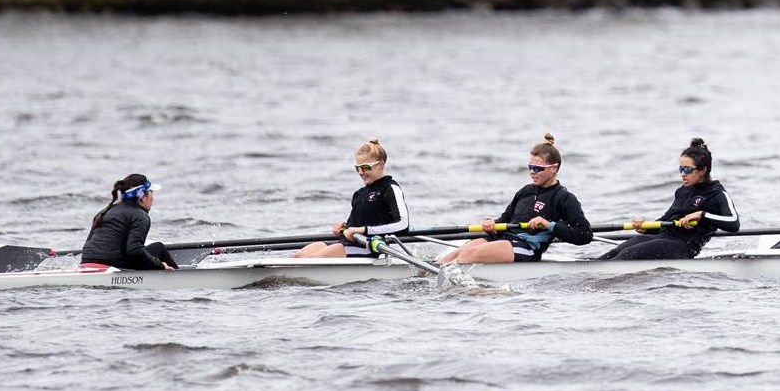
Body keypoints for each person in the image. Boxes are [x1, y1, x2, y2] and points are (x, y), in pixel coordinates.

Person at [438, 134, 594, 263]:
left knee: (467, 257)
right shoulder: (525, 191)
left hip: (527, 246)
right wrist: (490, 222)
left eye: (538, 168)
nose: (532, 172)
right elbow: (505, 219)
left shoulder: (564, 198)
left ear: (554, 169)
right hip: (504, 238)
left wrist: (549, 225)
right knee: (452, 256)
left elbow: (585, 234)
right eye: (530, 167)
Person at [600, 138, 740, 261]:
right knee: (614, 252)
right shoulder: (683, 191)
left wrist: (702, 215)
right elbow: (666, 220)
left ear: (702, 170)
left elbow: (734, 223)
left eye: (687, 170)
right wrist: (645, 228)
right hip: (663, 239)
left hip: (682, 246)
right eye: (681, 169)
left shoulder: (718, 194)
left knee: (628, 254)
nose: (683, 174)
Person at [292, 138, 409, 258]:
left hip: (370, 247)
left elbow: (403, 225)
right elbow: (355, 225)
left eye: (365, 167)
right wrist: (344, 227)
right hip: (349, 243)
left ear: (380, 164)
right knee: (297, 257)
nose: (360, 172)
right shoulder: (359, 194)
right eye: (357, 168)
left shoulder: (390, 188)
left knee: (313, 259)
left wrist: (363, 230)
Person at [79, 174, 176, 271]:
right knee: (159, 248)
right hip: (113, 264)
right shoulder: (140, 215)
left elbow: (87, 244)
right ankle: (177, 276)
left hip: (87, 261)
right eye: (151, 192)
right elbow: (134, 250)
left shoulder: (105, 211)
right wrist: (160, 265)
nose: (153, 197)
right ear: (143, 197)